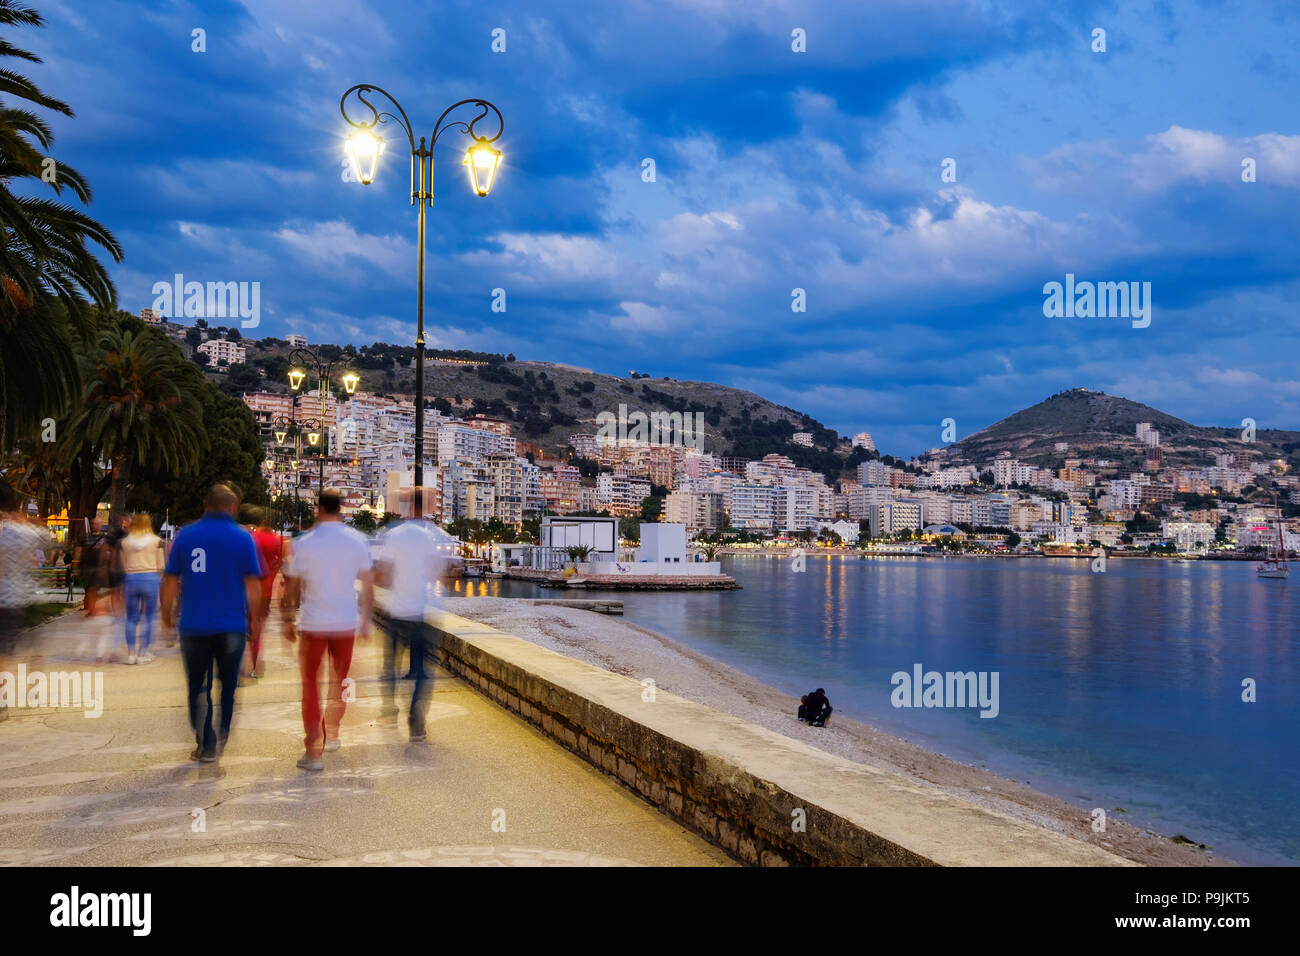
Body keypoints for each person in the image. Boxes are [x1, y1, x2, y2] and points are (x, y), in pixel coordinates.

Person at [161, 484, 262, 763]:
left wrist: (166, 616)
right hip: (231, 626)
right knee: (228, 686)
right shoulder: (243, 539)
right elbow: (253, 585)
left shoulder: (186, 536)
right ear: (232, 508)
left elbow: (170, 580)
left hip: (194, 625)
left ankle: (206, 740)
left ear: (205, 505)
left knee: (197, 686)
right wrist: (254, 620)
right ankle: (223, 731)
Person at [281, 490, 374, 771]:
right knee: (342, 680)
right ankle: (333, 731)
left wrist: (288, 618)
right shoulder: (357, 541)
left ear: (318, 509)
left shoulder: (304, 543)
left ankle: (314, 751)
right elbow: (368, 584)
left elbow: (292, 587)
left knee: (311, 685)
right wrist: (366, 620)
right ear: (341, 508)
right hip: (346, 622)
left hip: (313, 624)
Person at [374, 518, 445, 741]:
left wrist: (395, 583)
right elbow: (437, 571)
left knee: (390, 666)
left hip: (397, 612)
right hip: (420, 612)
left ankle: (388, 712)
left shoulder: (394, 536)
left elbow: (383, 573)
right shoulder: (427, 536)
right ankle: (416, 721)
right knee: (423, 672)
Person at [0, 482, 56, 719]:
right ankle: (34, 691)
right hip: (22, 597)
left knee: (4, 652)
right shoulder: (25, 532)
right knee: (33, 646)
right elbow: (49, 542)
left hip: (3, 597)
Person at [242, 506, 282, 679]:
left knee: (240, 628)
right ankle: (256, 662)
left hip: (243, 589)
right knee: (257, 628)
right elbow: (278, 561)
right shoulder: (275, 539)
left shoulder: (250, 539)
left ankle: (240, 667)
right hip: (263, 589)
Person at [120, 513, 165, 664]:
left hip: (131, 578)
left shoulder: (125, 542)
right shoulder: (157, 541)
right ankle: (142, 654)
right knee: (149, 618)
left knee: (131, 619)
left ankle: (131, 653)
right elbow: (161, 565)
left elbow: (124, 564)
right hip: (150, 578)